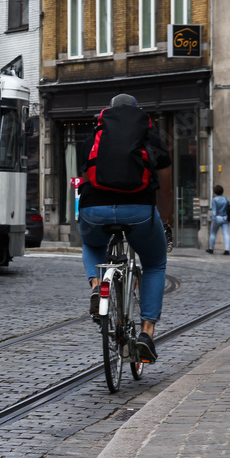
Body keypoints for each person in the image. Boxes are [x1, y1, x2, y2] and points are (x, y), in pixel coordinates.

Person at [78, 93, 172, 364]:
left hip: (94, 211)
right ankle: (146, 334)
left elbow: (85, 181)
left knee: (92, 244)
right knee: (154, 263)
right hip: (139, 211)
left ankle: (97, 286)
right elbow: (165, 190)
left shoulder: (90, 141)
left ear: (107, 113)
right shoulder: (154, 141)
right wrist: (164, 224)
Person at [208, 185, 230, 255]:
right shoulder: (227, 199)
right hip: (225, 218)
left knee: (213, 233)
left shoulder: (214, 199)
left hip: (217, 218)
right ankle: (227, 250)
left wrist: (213, 220)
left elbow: (214, 211)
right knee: (226, 234)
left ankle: (211, 249)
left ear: (215, 192)